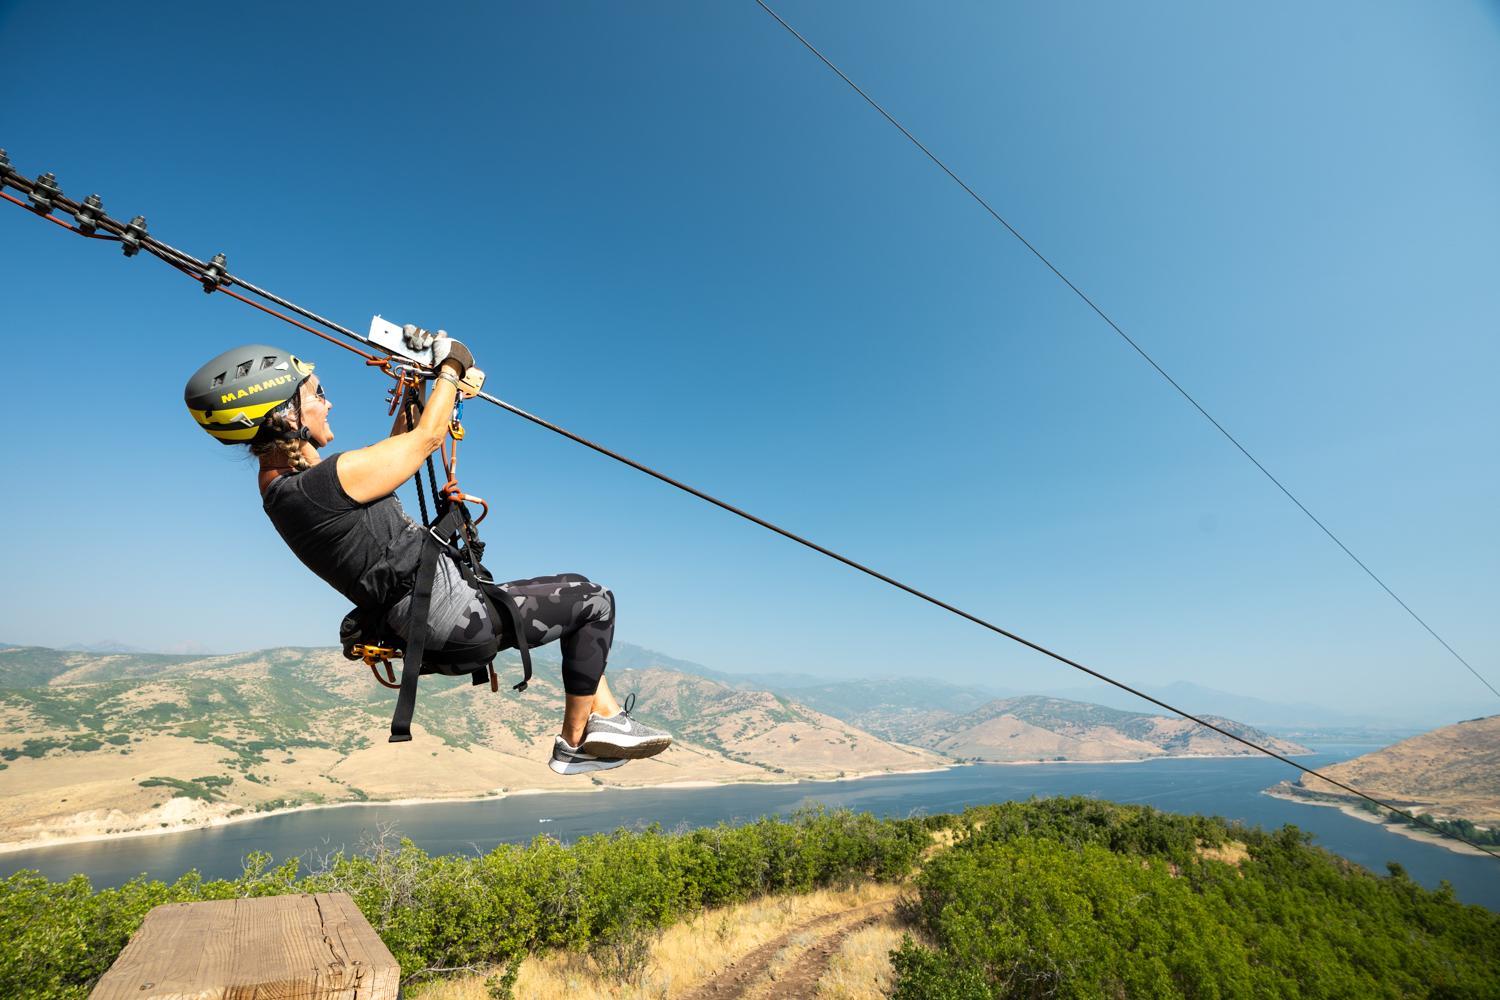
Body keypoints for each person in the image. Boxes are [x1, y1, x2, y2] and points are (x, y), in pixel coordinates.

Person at [183, 338, 671, 774]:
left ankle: (606, 720)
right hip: (456, 620)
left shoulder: (285, 488)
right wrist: (451, 367)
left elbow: (393, 450)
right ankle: (575, 741)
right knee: (594, 599)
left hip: (433, 626)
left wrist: (422, 386)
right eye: (315, 393)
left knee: (571, 590)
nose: (327, 402)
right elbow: (423, 442)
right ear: (286, 415)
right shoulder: (319, 487)